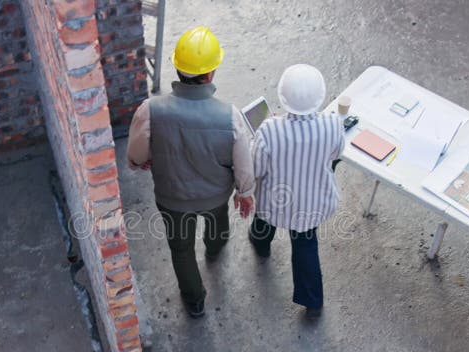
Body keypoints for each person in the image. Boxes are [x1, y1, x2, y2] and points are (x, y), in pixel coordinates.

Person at [126, 26, 255, 318]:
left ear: (177, 67)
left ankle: (195, 301)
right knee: (218, 222)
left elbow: (136, 154)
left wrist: (140, 162)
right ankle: (214, 248)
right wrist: (245, 193)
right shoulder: (230, 115)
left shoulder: (150, 110)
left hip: (173, 198)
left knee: (181, 249)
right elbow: (244, 163)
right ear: (211, 73)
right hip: (215, 195)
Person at [248, 64, 345, 318]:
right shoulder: (334, 125)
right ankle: (312, 301)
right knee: (305, 246)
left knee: (263, 216)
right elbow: (336, 155)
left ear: (283, 98)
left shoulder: (268, 130)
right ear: (320, 97)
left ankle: (261, 245)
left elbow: (256, 169)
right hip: (314, 202)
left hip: (275, 201)